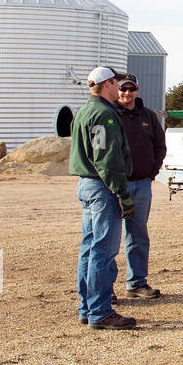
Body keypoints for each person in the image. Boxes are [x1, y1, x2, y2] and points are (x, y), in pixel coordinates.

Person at [70, 66, 137, 330]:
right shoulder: (103, 114)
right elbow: (106, 159)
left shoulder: (84, 111)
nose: (120, 87)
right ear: (107, 84)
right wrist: (121, 193)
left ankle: (87, 307)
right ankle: (100, 311)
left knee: (89, 246)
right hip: (102, 187)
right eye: (116, 82)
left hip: (87, 185)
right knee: (103, 250)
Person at [114, 73, 166, 299]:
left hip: (142, 185)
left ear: (137, 89)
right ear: (116, 90)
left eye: (131, 89)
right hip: (117, 185)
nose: (127, 93)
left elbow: (160, 146)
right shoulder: (111, 115)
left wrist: (150, 173)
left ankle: (136, 283)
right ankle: (105, 289)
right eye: (123, 89)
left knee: (138, 235)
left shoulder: (148, 116)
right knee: (109, 237)